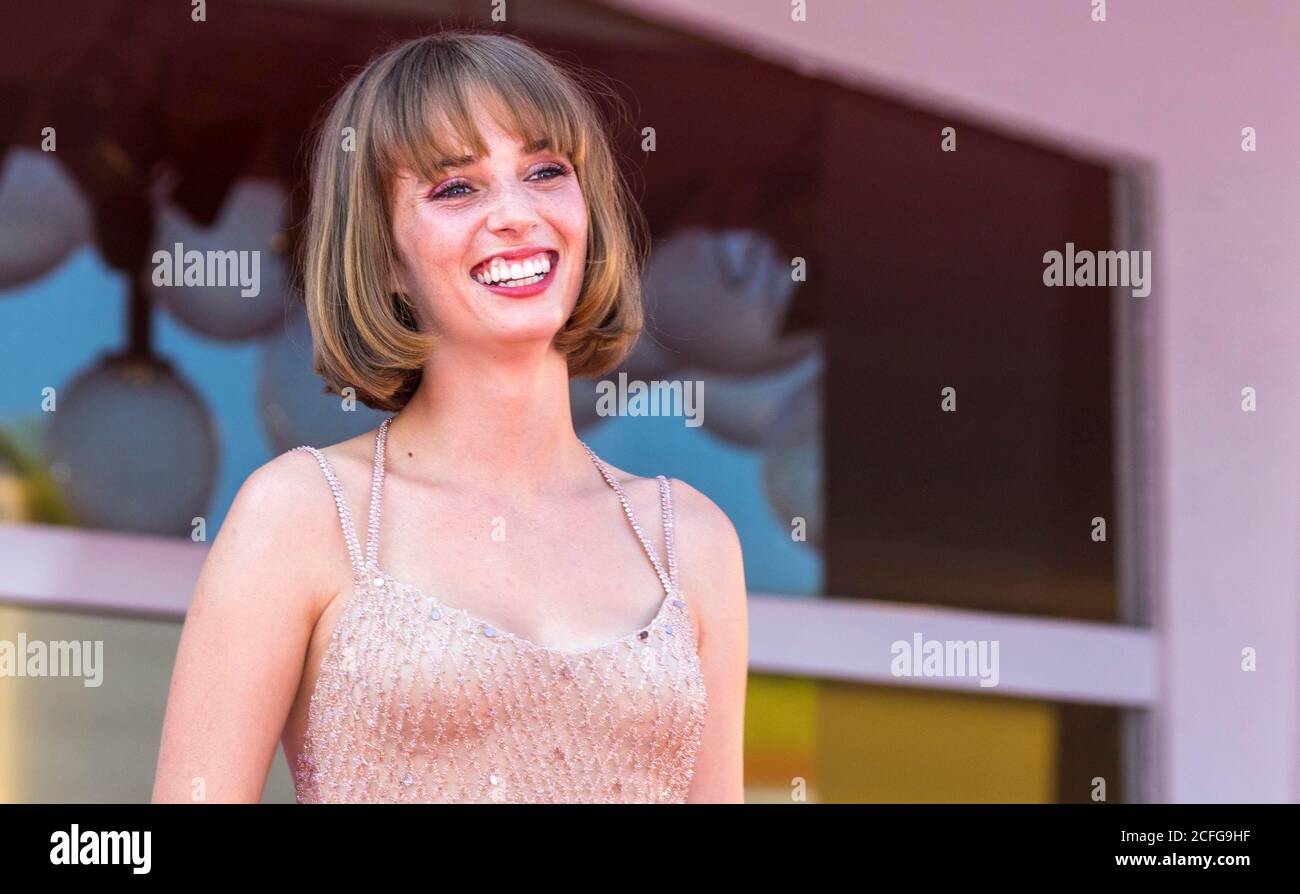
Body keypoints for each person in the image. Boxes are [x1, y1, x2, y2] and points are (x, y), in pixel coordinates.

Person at [152, 30, 747, 803]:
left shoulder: (691, 540)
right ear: (386, 257)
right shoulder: (302, 515)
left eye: (545, 171)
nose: (516, 214)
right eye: (455, 188)